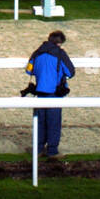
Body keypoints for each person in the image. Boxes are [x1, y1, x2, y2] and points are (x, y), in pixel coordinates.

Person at [25, 30, 76, 158]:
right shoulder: (60, 53)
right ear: (59, 43)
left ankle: (38, 149)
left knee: (40, 122)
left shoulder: (37, 52)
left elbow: (28, 70)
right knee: (53, 123)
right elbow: (71, 72)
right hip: (54, 94)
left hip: (39, 93)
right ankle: (52, 151)